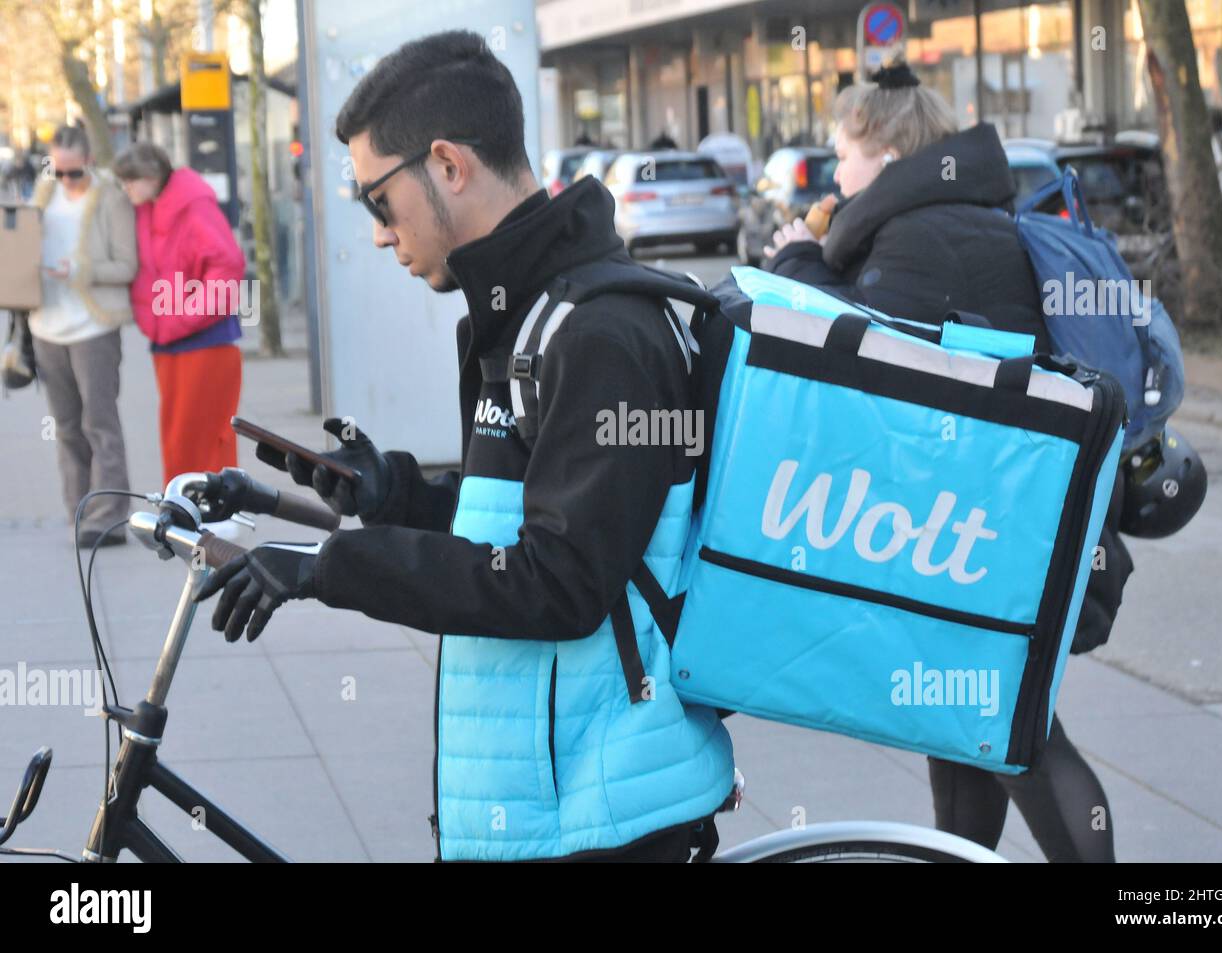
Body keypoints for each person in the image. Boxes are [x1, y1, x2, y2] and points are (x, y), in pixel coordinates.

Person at [192, 30, 735, 863]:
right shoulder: (523, 313)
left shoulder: (601, 334)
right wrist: (393, 495)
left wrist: (330, 567)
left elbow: (558, 585)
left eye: (379, 201)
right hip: (536, 800)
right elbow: (531, 521)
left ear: (446, 165)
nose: (380, 234)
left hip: (600, 821)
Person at [765, 64, 1126, 863]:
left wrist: (798, 266)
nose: (835, 172)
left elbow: (878, 365)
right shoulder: (957, 219)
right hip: (982, 528)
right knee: (965, 724)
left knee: (1016, 733)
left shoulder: (916, 233)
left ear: (887, 152)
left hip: (972, 535)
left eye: (842, 152)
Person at [29, 124, 137, 548]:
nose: (65, 181)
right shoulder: (44, 191)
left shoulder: (110, 198)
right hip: (46, 325)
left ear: (90, 162)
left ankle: (109, 515)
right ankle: (79, 510)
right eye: (58, 172)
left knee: (100, 422)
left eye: (74, 173)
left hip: (94, 325)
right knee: (66, 426)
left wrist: (78, 271)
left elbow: (126, 265)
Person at [113, 142, 245, 484]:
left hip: (205, 340)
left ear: (151, 177)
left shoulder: (193, 206)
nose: (126, 189)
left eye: (130, 181)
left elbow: (228, 265)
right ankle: (184, 515)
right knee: (178, 437)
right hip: (169, 341)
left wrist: (182, 316)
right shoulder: (147, 208)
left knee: (201, 435)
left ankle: (208, 515)